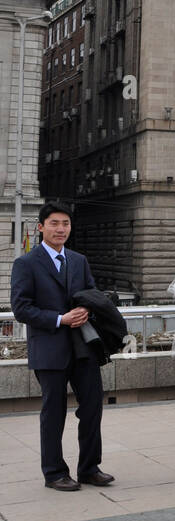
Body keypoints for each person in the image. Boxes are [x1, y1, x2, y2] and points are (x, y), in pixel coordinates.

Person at [10, 200, 115, 491]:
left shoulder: (78, 260)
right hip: (49, 348)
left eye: (65, 224)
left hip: (83, 347)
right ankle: (54, 472)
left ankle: (90, 468)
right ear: (41, 227)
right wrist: (60, 318)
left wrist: (88, 312)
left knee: (93, 406)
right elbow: (21, 308)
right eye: (54, 223)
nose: (60, 229)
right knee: (53, 412)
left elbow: (93, 294)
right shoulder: (26, 263)